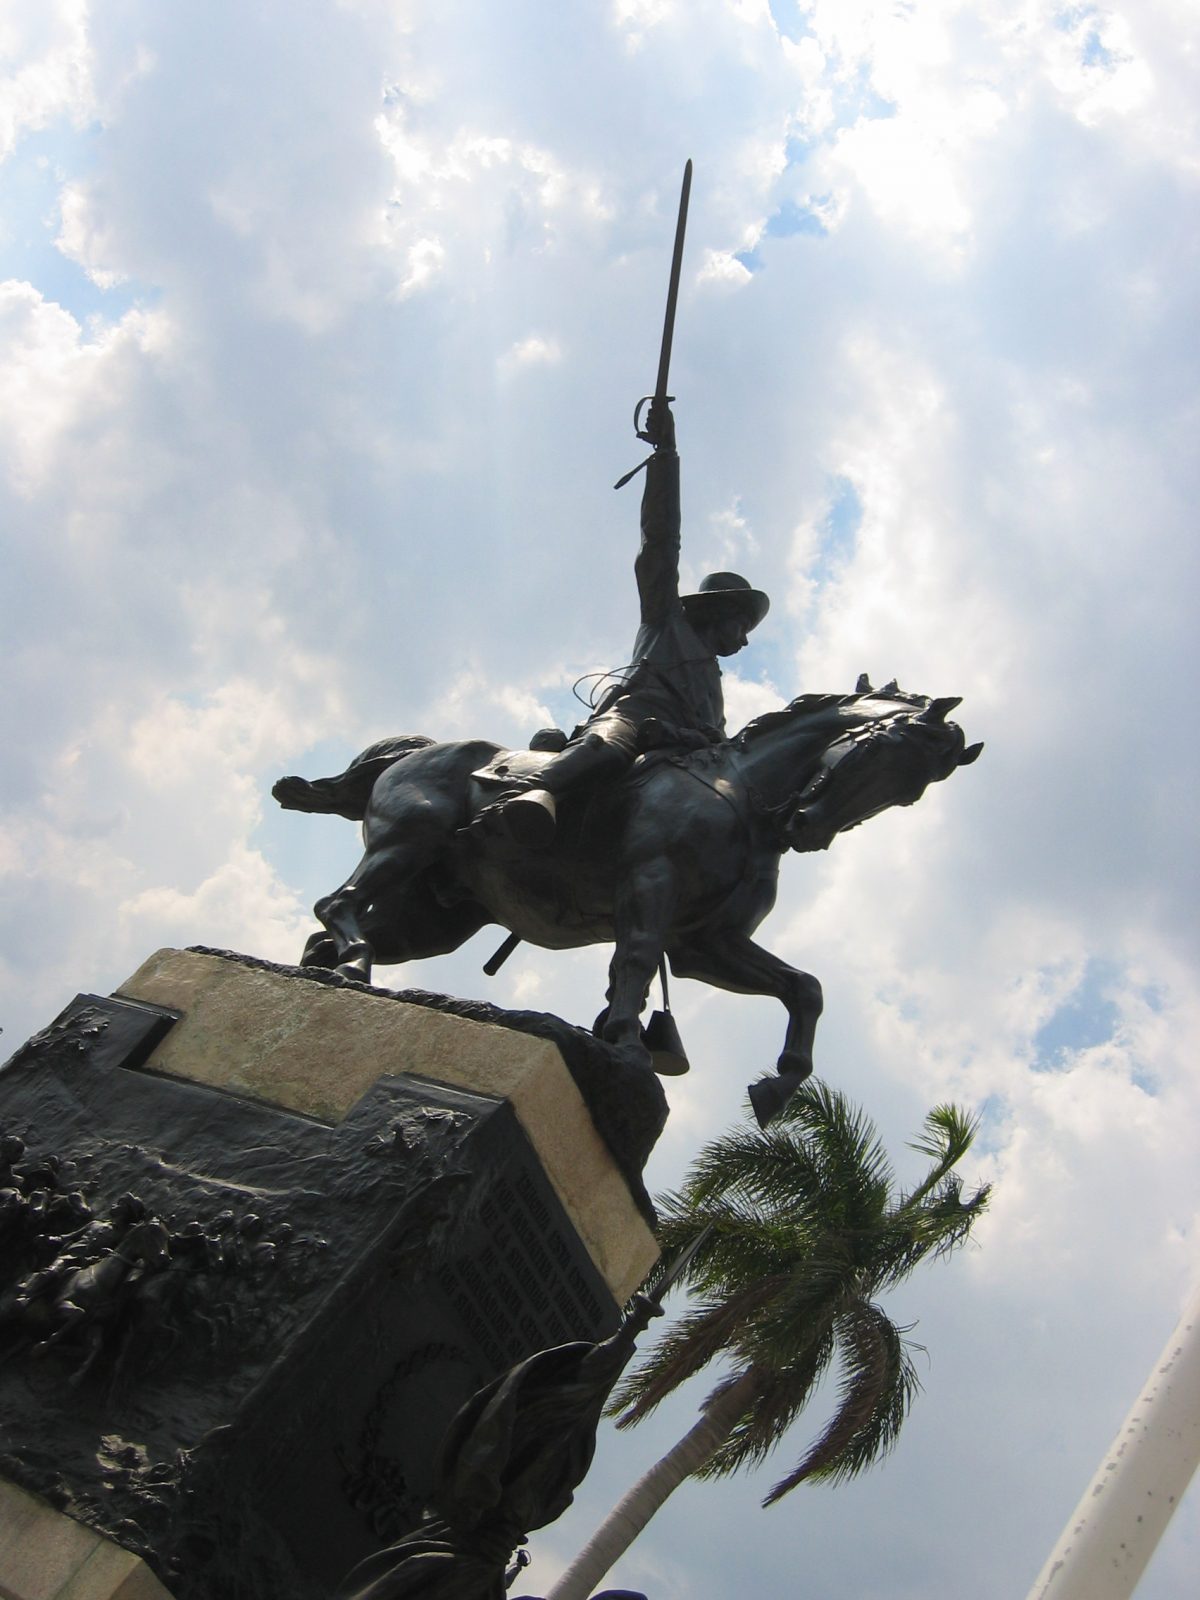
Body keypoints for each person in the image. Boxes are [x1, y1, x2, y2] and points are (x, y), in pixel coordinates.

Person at [491, 398, 769, 846]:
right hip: (627, 724)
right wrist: (666, 457)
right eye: (742, 626)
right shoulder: (665, 620)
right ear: (719, 614)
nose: (745, 641)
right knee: (608, 744)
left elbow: (715, 741)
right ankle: (531, 794)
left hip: (673, 759)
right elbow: (661, 539)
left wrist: (674, 734)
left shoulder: (713, 686)